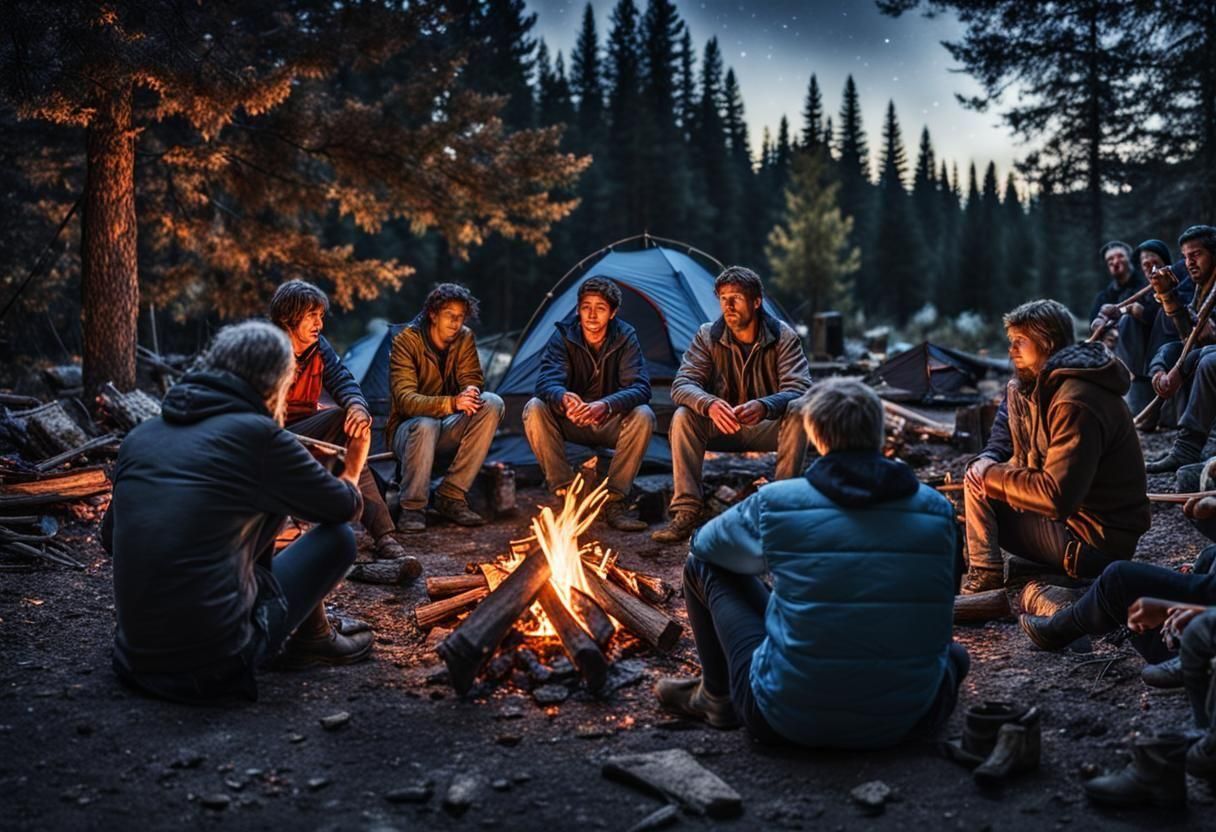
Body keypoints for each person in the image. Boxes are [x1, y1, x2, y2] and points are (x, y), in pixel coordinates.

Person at [653, 378, 966, 748]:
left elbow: (705, 546)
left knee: (701, 565)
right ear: (879, 435)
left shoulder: (777, 501)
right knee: (955, 656)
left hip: (782, 718)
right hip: (913, 719)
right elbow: (941, 605)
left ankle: (717, 697)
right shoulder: (937, 509)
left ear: (816, 436)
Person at [104, 322, 375, 704]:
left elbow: (109, 537)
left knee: (252, 516)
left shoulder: (142, 435)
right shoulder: (258, 436)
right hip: (212, 665)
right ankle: (313, 640)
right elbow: (345, 507)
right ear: (276, 382)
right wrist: (353, 463)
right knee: (337, 539)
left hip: (133, 658)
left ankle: (309, 629)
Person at [960, 299, 1150, 593]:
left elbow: (1055, 498)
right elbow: (1004, 434)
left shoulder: (1075, 401)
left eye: (1019, 343)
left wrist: (988, 477)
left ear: (1046, 343)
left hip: (1094, 542)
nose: (1011, 352)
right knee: (978, 474)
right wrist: (987, 460)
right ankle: (1023, 568)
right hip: (1075, 526)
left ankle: (986, 580)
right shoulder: (1035, 386)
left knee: (978, 484)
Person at [651, 266, 812, 544]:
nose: (728, 305)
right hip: (721, 423)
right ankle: (687, 511)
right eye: (723, 298)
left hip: (767, 425)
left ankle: (781, 509)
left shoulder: (783, 336)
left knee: (799, 411)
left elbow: (800, 390)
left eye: (736, 297)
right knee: (683, 415)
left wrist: (765, 405)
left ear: (756, 301)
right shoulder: (707, 335)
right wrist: (709, 404)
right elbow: (682, 384)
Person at [270, 279, 414, 564]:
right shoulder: (267, 348)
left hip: (306, 428)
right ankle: (372, 533)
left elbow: (343, 380)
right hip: (271, 435)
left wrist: (358, 406)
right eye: (312, 316)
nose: (319, 324)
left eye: (321, 316)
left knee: (352, 429)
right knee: (339, 424)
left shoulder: (318, 348)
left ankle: (383, 535)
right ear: (290, 316)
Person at [522, 277, 654, 531]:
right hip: (572, 419)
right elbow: (546, 381)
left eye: (600, 308)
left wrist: (605, 405)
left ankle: (615, 501)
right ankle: (566, 494)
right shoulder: (564, 335)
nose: (592, 315)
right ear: (578, 309)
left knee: (644, 415)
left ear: (613, 313)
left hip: (609, 421)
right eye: (586, 307)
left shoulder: (625, 336)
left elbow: (640, 387)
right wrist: (563, 398)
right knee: (534, 407)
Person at [387, 283, 504, 532]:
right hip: (407, 431)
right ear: (433, 314)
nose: (455, 323)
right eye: (450, 316)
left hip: (447, 426)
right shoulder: (406, 342)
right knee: (426, 424)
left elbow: (472, 377)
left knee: (492, 403)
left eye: (460, 317)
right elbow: (406, 400)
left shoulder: (464, 338)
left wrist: (472, 389)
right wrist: (451, 403)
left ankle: (450, 495)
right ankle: (413, 507)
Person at [1144, 225, 1216, 472]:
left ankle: (1189, 448)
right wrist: (1166, 294)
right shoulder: (1202, 286)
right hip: (1205, 353)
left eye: (1196, 255)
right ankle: (1187, 449)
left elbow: (1207, 341)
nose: (1189, 263)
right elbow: (1188, 337)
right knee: (1169, 351)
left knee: (1207, 360)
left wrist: (1182, 368)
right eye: (1185, 257)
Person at [1089, 240, 1154, 411]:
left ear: (1130, 259)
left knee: (1127, 323)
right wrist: (1102, 329)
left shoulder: (1146, 285)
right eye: (1110, 260)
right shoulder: (1105, 295)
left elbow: (1152, 316)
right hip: (1113, 352)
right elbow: (1093, 324)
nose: (1115, 262)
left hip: (1143, 351)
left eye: (1119, 257)